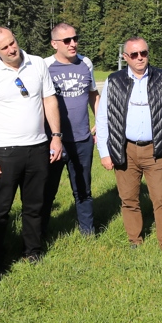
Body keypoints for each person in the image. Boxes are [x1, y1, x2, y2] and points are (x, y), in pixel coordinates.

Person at [0, 27, 64, 271]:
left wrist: (55, 136)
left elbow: (49, 100)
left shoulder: (37, 64)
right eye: (4, 48)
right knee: (0, 208)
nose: (12, 49)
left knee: (34, 205)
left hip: (38, 147)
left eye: (12, 42)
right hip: (5, 151)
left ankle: (32, 251)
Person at [95, 37, 162, 253]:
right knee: (128, 199)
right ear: (125, 57)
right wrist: (105, 153)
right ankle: (134, 241)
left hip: (157, 149)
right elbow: (103, 118)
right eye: (134, 54)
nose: (140, 58)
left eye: (143, 53)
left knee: (161, 198)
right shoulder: (113, 81)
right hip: (124, 148)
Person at [42, 23, 99, 238]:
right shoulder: (44, 66)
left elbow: (93, 94)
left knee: (83, 190)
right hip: (52, 141)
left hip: (82, 139)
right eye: (67, 40)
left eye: (75, 38)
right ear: (54, 43)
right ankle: (40, 234)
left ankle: (88, 234)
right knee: (47, 191)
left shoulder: (86, 63)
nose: (73, 43)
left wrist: (100, 123)